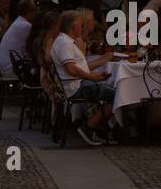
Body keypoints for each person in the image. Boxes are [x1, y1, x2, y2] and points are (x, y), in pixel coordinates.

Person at [50, 9, 116, 147]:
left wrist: (93, 77)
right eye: (80, 25)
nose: (82, 27)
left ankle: (98, 128)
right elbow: (71, 69)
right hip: (76, 87)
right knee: (118, 95)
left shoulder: (66, 41)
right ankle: (90, 126)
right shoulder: (64, 43)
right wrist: (93, 77)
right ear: (73, 27)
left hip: (77, 84)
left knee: (113, 90)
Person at [0, 0, 35, 76]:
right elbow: (31, 48)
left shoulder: (18, 22)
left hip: (1, 65)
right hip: (9, 67)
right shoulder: (26, 26)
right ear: (30, 11)